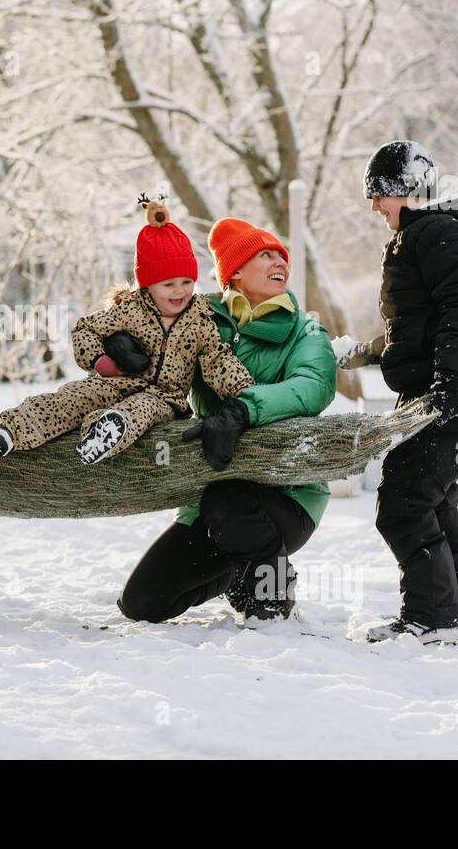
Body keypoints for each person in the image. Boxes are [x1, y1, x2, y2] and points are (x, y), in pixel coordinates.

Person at [117, 217, 336, 627]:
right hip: (211, 491)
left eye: (280, 256)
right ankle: (241, 569)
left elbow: (312, 386)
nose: (279, 263)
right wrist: (121, 348)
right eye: (265, 255)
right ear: (234, 272)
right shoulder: (199, 320)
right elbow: (152, 324)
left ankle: (273, 593)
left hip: (285, 495)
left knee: (228, 499)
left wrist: (243, 409)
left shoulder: (305, 330)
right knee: (142, 603)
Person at [342, 140, 458, 645]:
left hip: (449, 397)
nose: (374, 208)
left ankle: (432, 619)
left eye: (378, 195)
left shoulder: (436, 232)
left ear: (403, 190)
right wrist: (366, 351)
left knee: (405, 504)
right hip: (437, 394)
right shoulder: (424, 235)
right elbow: (416, 331)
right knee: (434, 504)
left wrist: (450, 379)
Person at [0, 196, 254, 465]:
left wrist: (243, 390)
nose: (179, 291)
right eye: (168, 285)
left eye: (186, 281)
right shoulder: (130, 309)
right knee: (73, 397)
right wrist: (99, 360)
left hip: (163, 399)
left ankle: (104, 434)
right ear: (147, 285)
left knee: (141, 409)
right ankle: (8, 431)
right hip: (114, 383)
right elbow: (85, 330)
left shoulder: (199, 319)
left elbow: (218, 360)